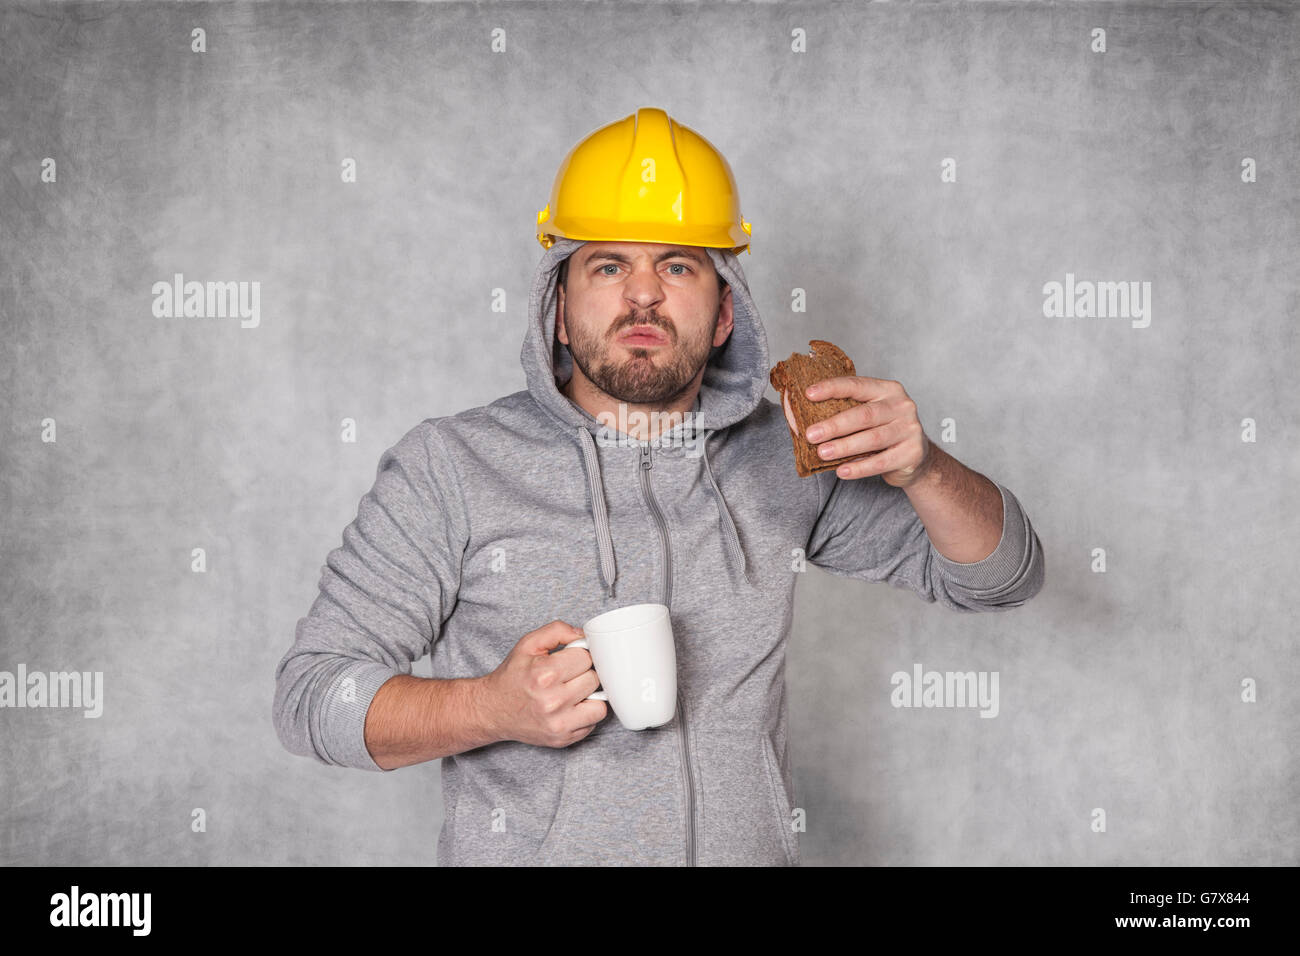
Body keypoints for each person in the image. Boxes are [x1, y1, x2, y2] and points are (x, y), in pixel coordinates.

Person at [272, 107, 1046, 866]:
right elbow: (312, 699)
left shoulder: (793, 454)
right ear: (561, 313)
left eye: (678, 265)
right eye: (608, 265)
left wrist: (926, 470)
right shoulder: (451, 466)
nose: (643, 294)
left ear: (722, 316)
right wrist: (490, 707)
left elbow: (1003, 579)